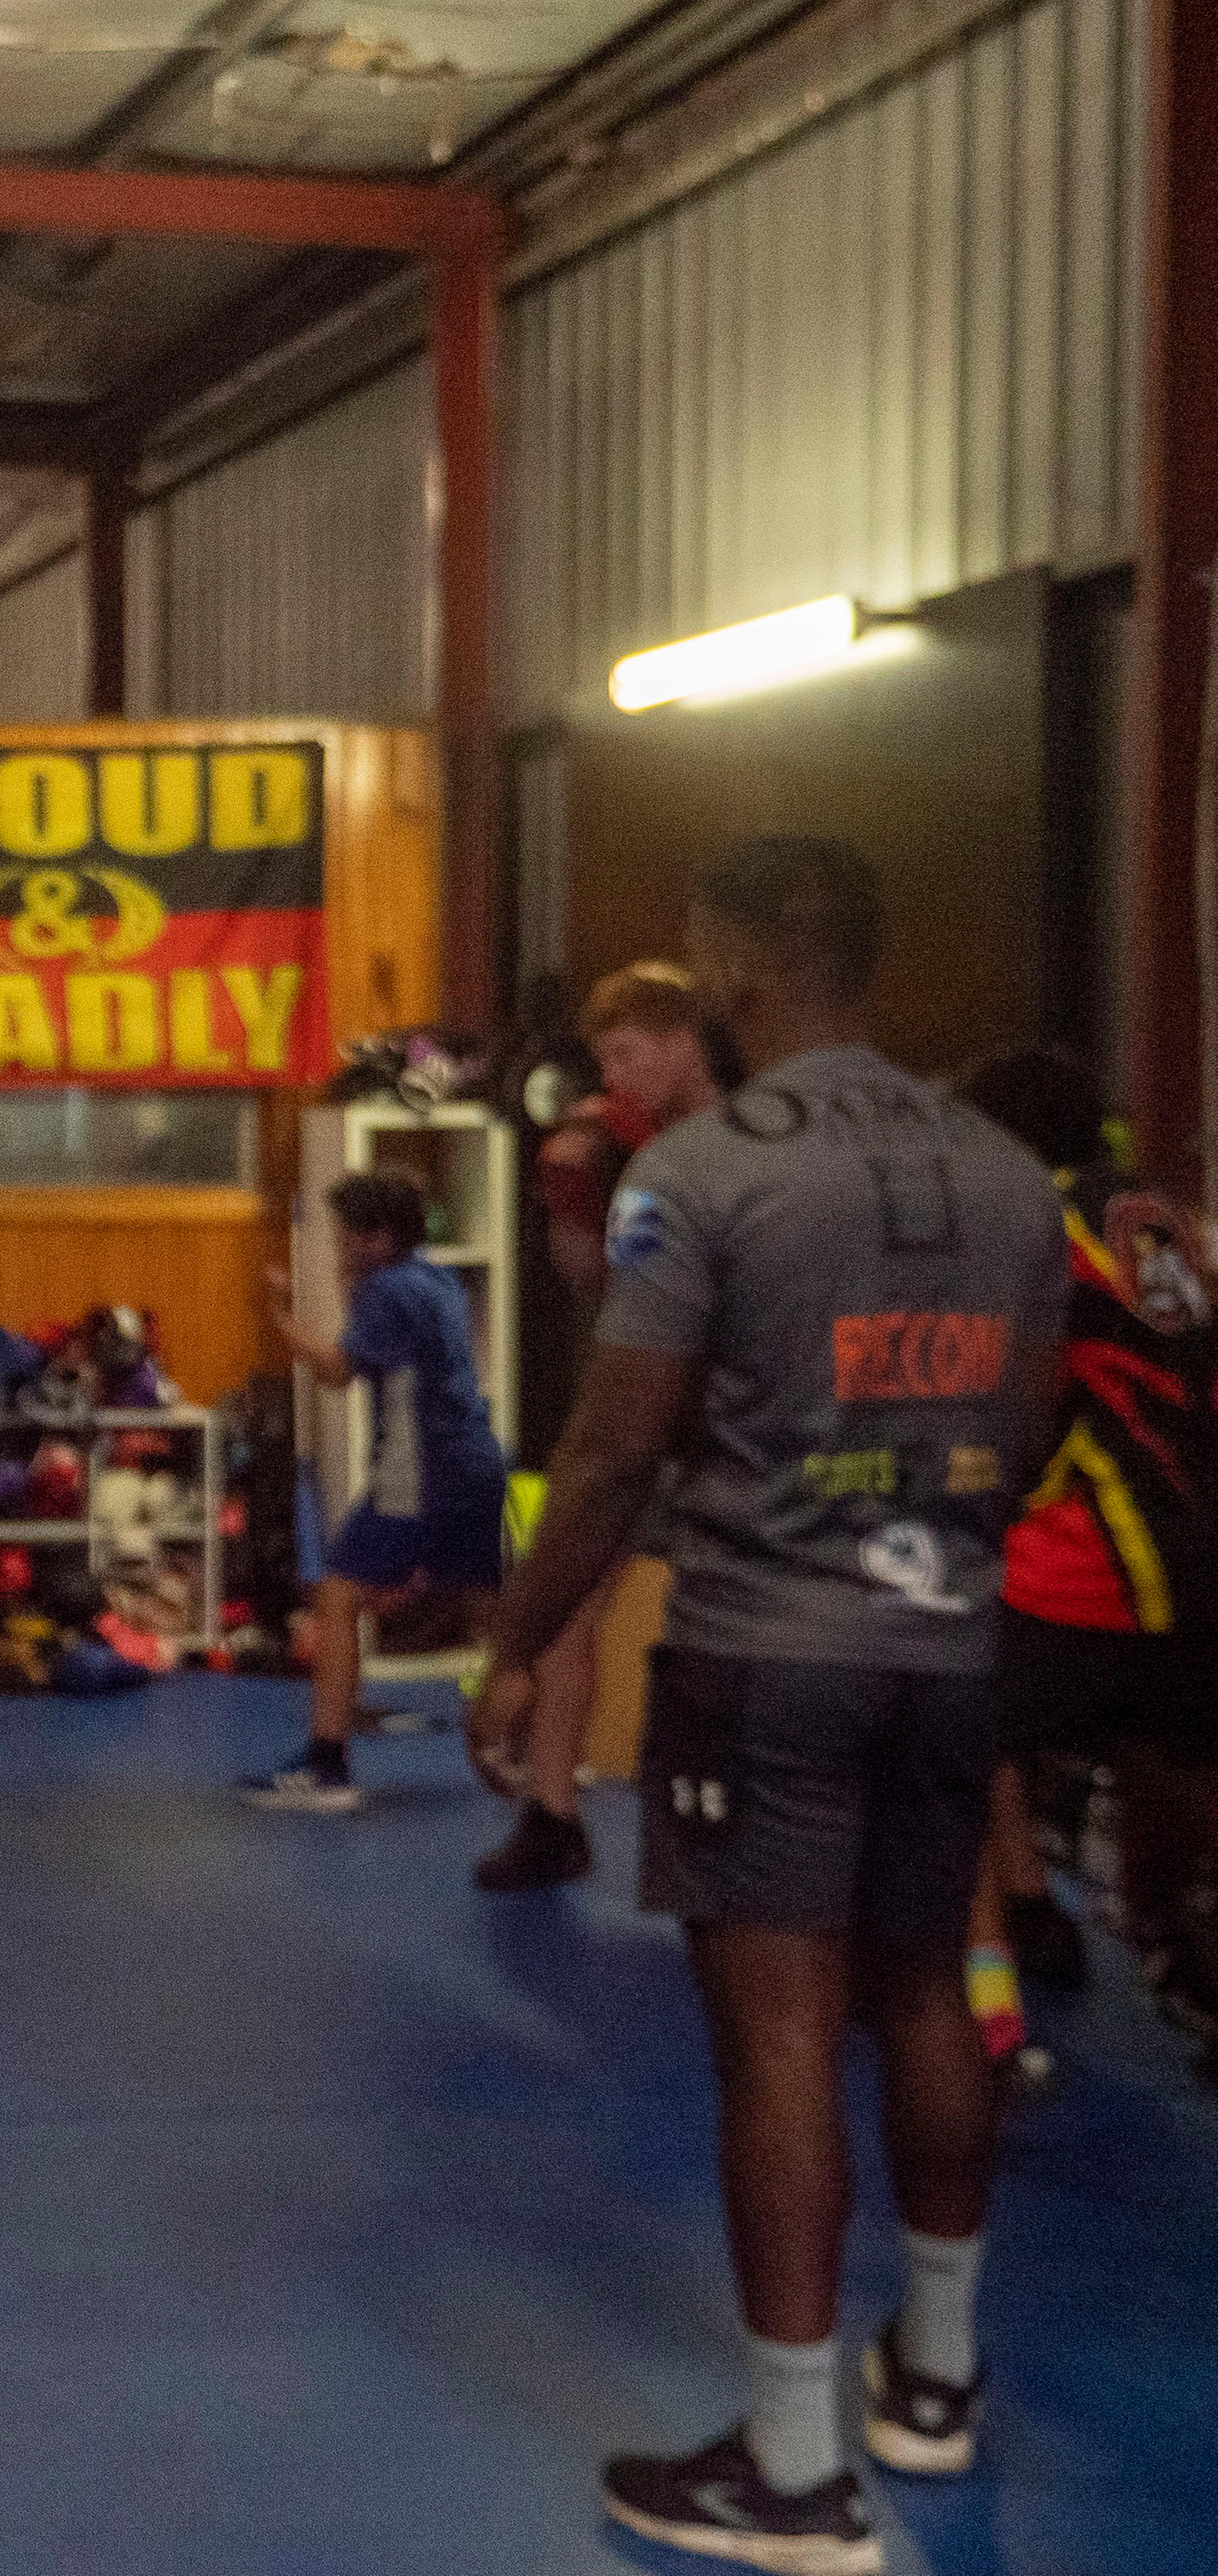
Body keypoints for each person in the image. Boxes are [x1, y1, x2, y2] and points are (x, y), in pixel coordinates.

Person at [470, 835, 1067, 2574]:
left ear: (730, 966)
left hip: (766, 1657)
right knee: (934, 1991)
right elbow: (1023, 1427)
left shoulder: (706, 1172)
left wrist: (519, 1644)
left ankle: (795, 2470)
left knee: (782, 2030)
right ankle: (933, 2382)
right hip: (947, 1642)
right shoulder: (1009, 1170)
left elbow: (610, 1444)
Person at [961, 1046, 1218, 2070]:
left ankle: (987, 2015)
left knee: (952, 1733)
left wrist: (987, 1481)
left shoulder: (1037, 1222)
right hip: (1201, 1542)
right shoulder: (1160, 1214)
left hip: (1098, 1550)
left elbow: (1025, 1404)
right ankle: (1056, 1913)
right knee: (1189, 1765)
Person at [476, 961, 726, 1890]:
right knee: (571, 1603)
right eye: (602, 1055)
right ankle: (551, 1811)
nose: (611, 1073)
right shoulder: (610, 1143)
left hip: (734, 1418)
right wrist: (571, 1207)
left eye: (624, 1051)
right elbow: (588, 1279)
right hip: (637, 1403)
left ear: (680, 1042)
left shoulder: (744, 1146)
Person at [243, 1171, 510, 1815]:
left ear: (376, 1238)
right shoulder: (434, 1279)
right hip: (475, 1462)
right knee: (493, 1616)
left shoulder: (387, 1291)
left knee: (336, 1596)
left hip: (420, 1477)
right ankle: (540, 1749)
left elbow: (336, 1371)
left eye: (344, 1235)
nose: (336, 1246)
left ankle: (328, 1765)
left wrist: (278, 1317)